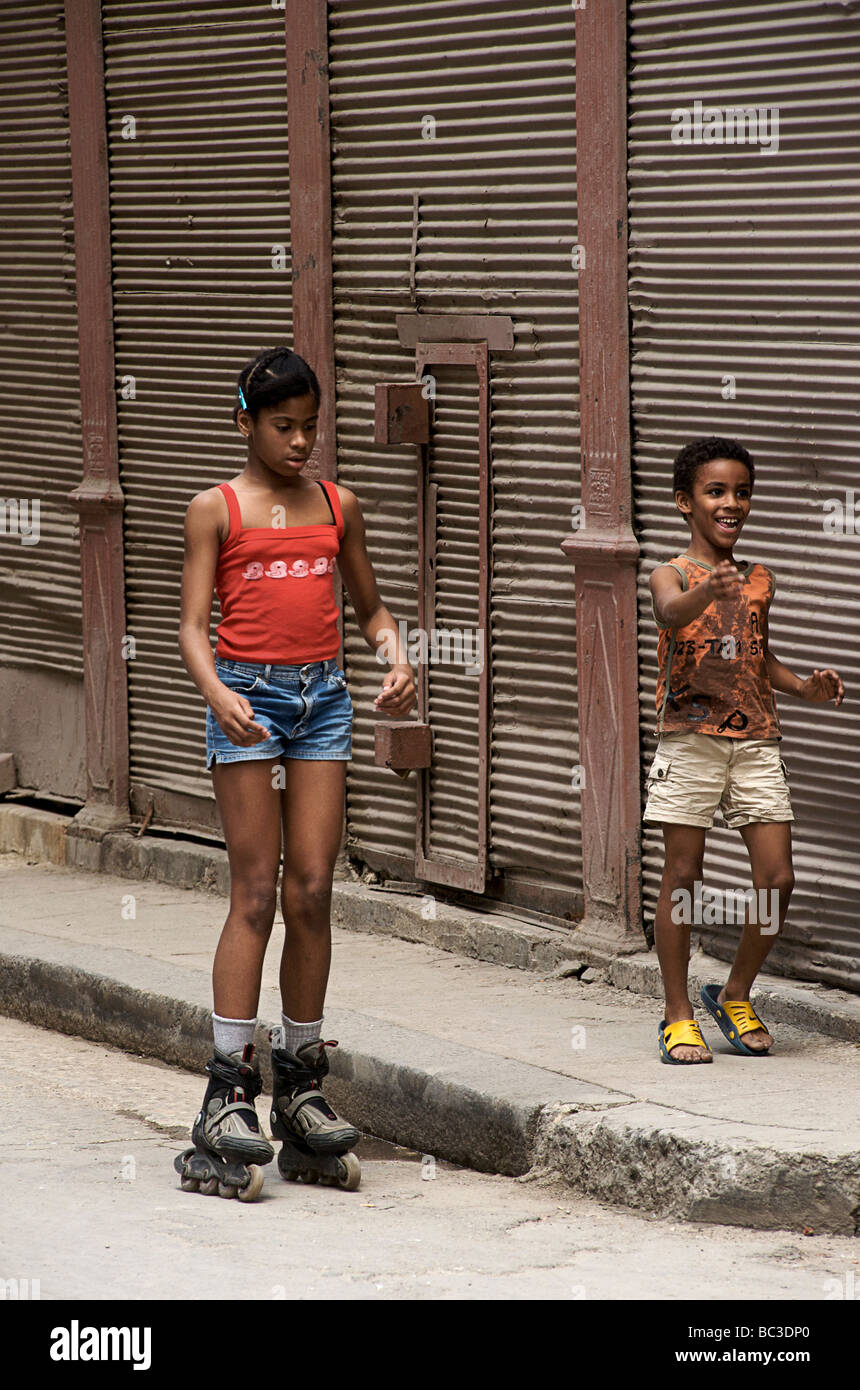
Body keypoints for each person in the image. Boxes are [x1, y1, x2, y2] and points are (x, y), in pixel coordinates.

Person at [175, 346, 416, 1196]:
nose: (301, 441)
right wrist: (219, 696)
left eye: (311, 425)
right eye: (283, 426)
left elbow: (372, 607)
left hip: (323, 701)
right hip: (244, 696)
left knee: (313, 887)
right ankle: (225, 1093)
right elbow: (193, 627)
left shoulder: (336, 504)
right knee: (256, 892)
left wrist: (395, 654)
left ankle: (302, 1085)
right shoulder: (218, 510)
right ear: (244, 422)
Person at [645, 437, 844, 1064]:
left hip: (756, 740)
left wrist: (804, 687)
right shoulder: (671, 573)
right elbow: (673, 614)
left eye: (742, 492)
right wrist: (710, 592)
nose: (733, 503)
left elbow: (761, 657)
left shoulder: (760, 579)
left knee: (777, 878)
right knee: (682, 877)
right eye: (716, 491)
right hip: (692, 741)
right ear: (686, 502)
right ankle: (678, 1015)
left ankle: (733, 993)